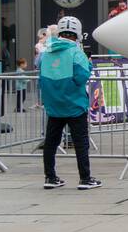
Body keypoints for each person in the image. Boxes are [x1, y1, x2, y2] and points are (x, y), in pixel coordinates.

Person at [38, 16, 100, 190]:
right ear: (77, 34)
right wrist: (89, 65)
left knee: (51, 142)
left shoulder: (46, 52)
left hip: (53, 106)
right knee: (81, 143)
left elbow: (41, 78)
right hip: (74, 105)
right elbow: (82, 77)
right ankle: (85, 178)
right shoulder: (76, 52)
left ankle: (50, 177)